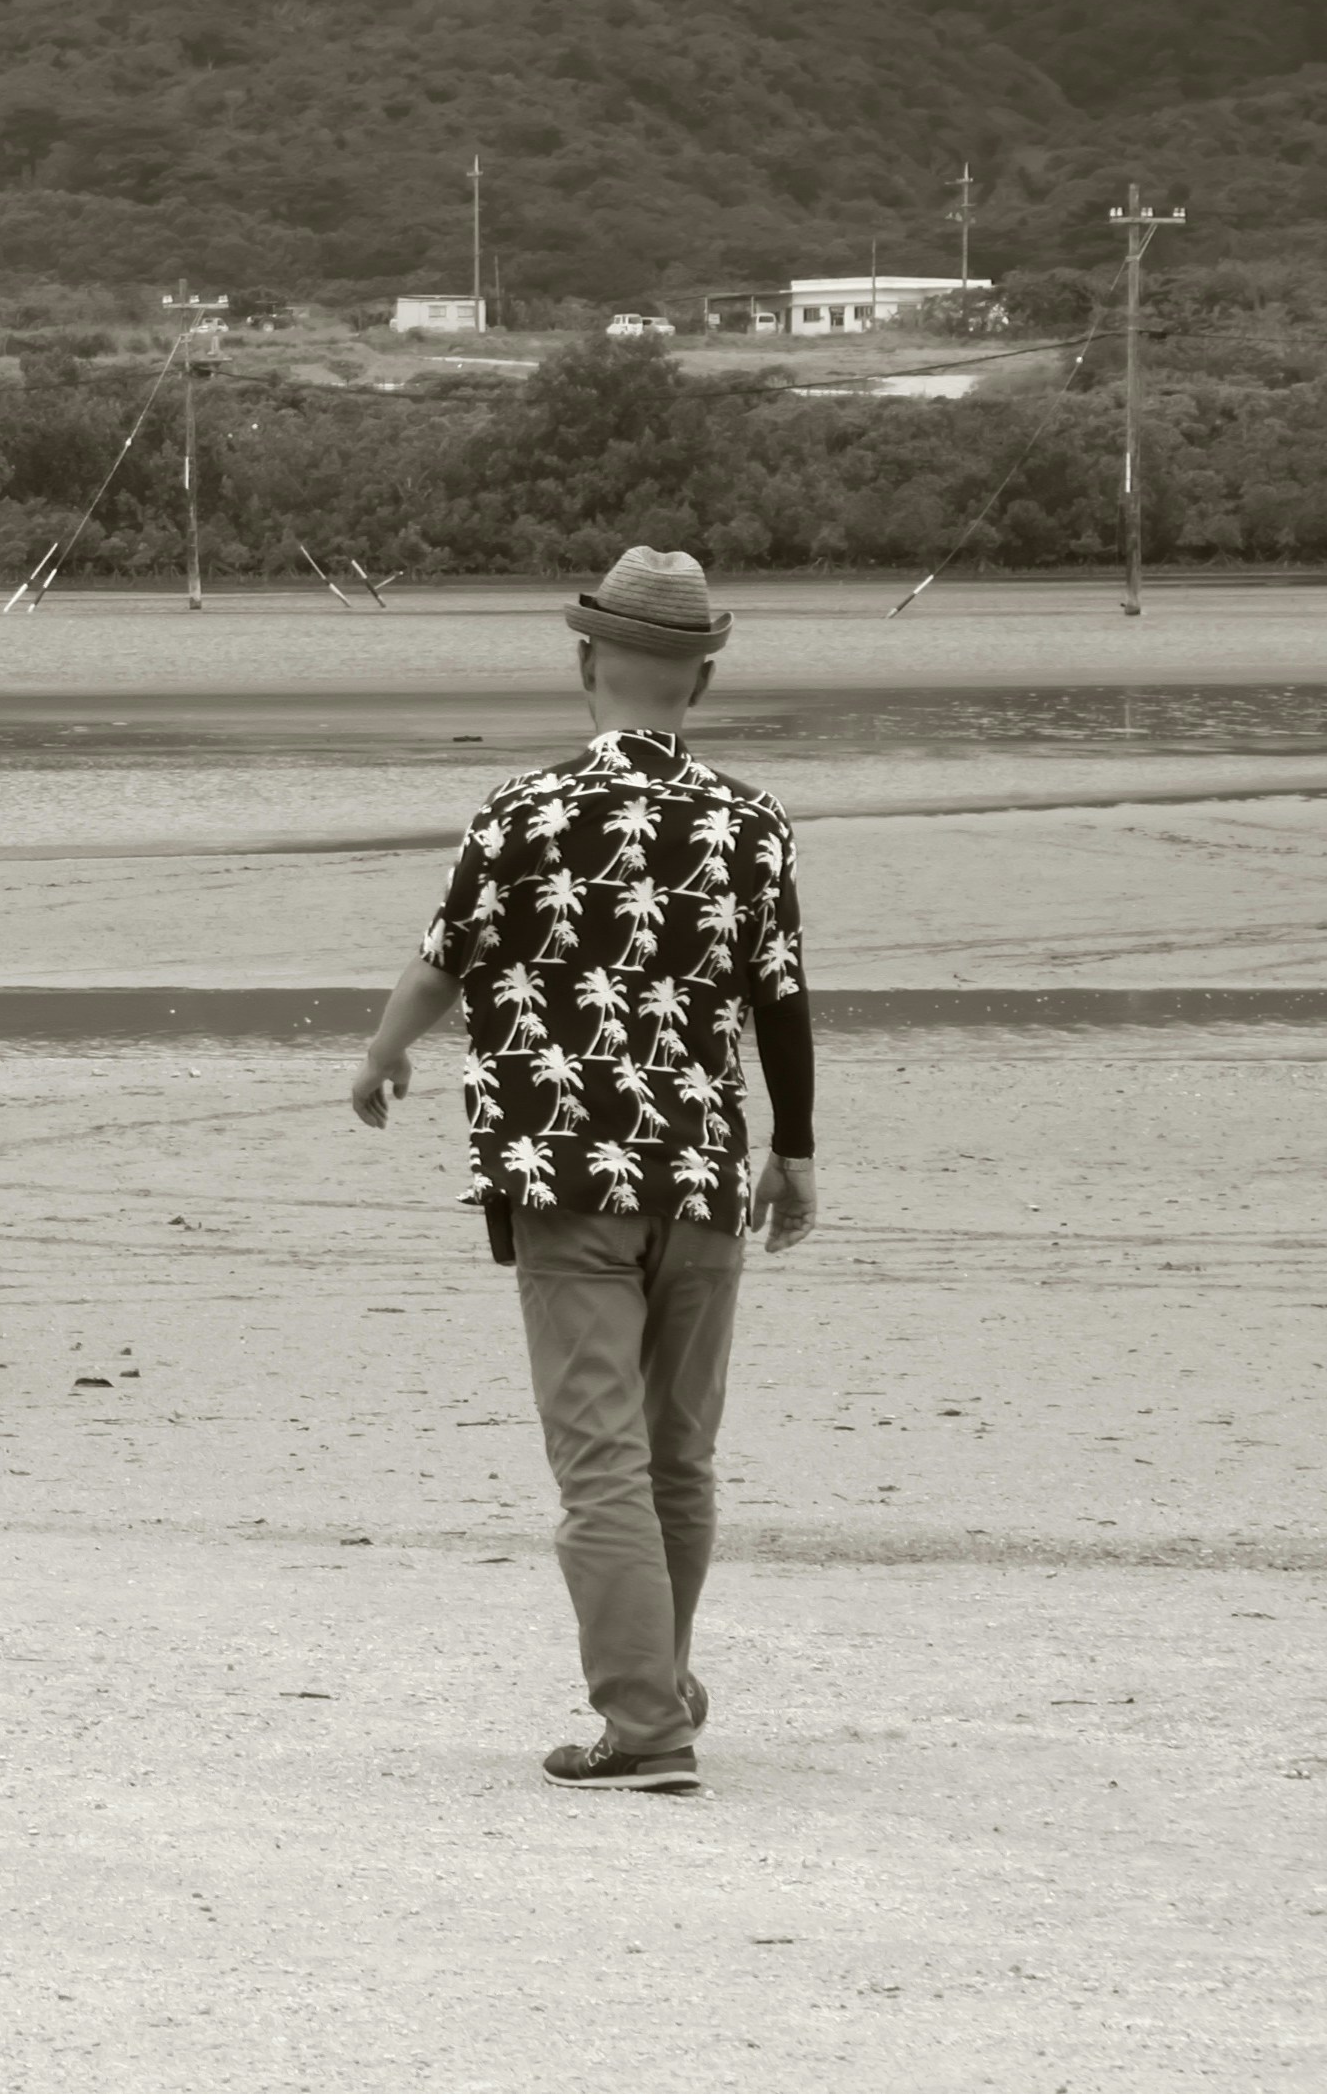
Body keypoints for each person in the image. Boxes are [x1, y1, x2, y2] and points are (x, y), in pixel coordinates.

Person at [350, 547, 817, 1797]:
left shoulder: (521, 809)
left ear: (584, 663)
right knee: (678, 1456)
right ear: (701, 681)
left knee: (600, 1460)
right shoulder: (751, 819)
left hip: (564, 1170)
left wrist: (382, 1057)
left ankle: (643, 1726)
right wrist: (798, 1152)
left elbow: (445, 957)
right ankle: (659, 1679)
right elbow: (782, 1000)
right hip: (709, 1172)